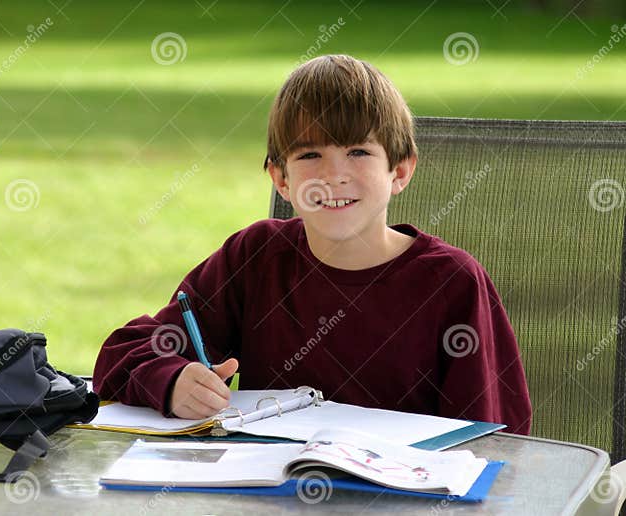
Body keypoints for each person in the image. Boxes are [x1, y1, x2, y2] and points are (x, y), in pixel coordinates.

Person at [93, 54, 532, 434]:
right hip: (265, 493)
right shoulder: (254, 257)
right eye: (309, 155)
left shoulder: (451, 283)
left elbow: (494, 437)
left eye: (358, 152)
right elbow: (123, 353)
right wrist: (172, 380)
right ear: (281, 179)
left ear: (400, 170)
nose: (333, 174)